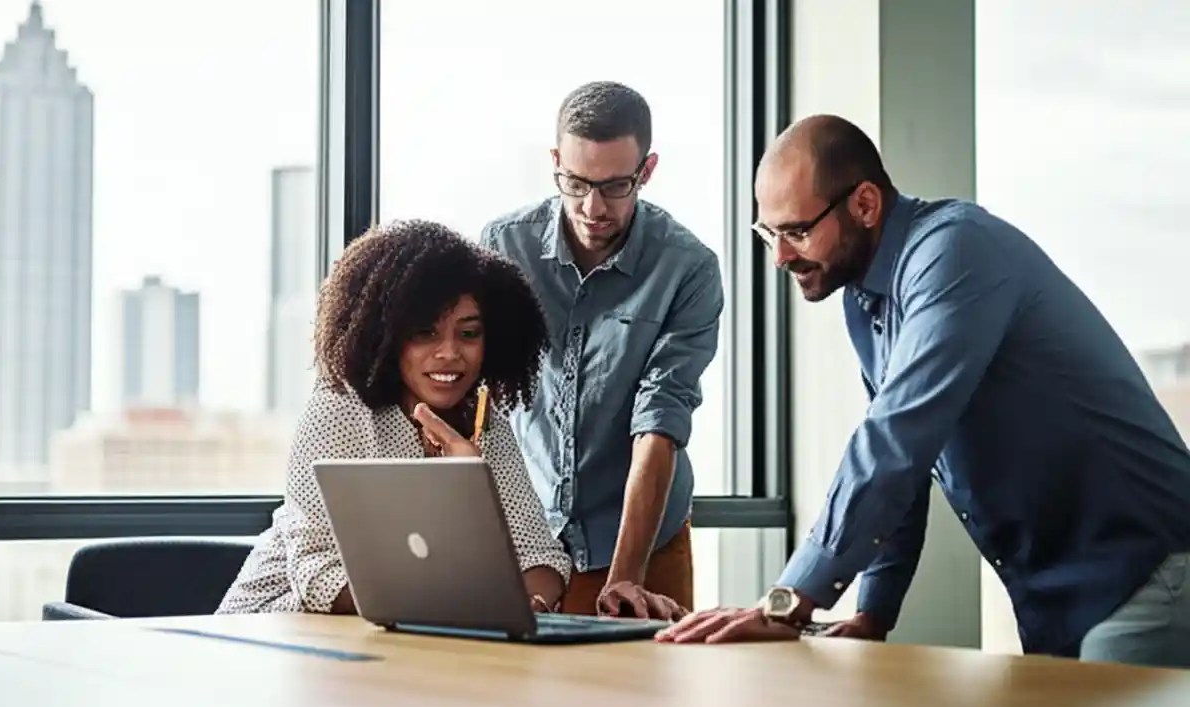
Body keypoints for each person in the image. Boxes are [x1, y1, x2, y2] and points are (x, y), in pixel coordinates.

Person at [658, 114, 1190, 668]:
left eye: (796, 231)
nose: (781, 257)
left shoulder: (955, 252)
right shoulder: (866, 301)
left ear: (865, 205)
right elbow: (907, 473)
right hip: (1054, 595)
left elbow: (894, 440)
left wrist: (787, 604)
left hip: (1147, 571)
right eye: (769, 234)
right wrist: (873, 614)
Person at [217, 219, 572, 615]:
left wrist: (527, 604)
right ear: (385, 335)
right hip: (275, 628)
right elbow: (317, 574)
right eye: (425, 333)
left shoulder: (485, 423)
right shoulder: (340, 408)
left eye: (469, 334)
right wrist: (458, 603)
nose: (450, 353)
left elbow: (540, 555)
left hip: (411, 642)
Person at [481, 81, 724, 620]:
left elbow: (660, 421)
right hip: (532, 543)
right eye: (575, 182)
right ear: (555, 161)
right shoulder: (503, 248)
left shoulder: (688, 268)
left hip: (644, 545)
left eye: (616, 186)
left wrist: (625, 579)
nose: (593, 208)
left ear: (647, 170)